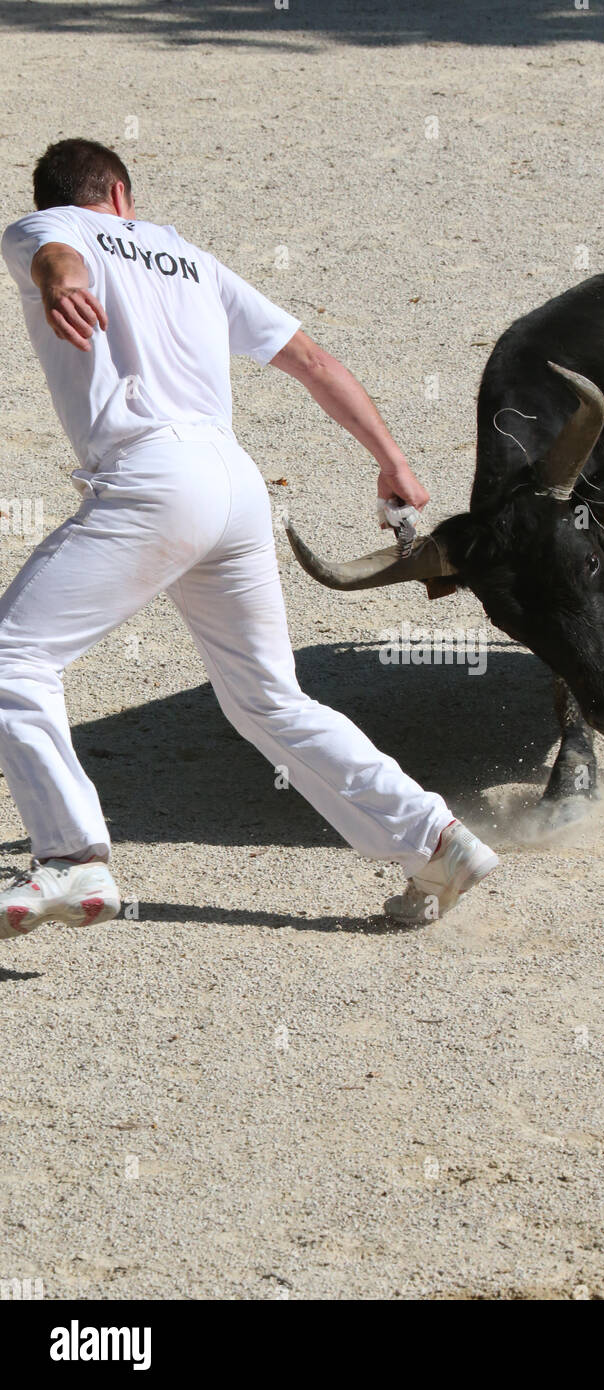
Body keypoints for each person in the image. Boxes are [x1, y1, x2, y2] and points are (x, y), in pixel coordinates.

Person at [0, 138, 497, 941]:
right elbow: (311, 358)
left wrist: (61, 283)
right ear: (123, 196)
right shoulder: (189, 259)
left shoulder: (42, 225)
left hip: (152, 478)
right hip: (235, 488)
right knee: (269, 698)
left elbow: (59, 256)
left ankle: (69, 854)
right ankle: (436, 841)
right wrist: (392, 461)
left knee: (13, 657)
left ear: (69, 196)